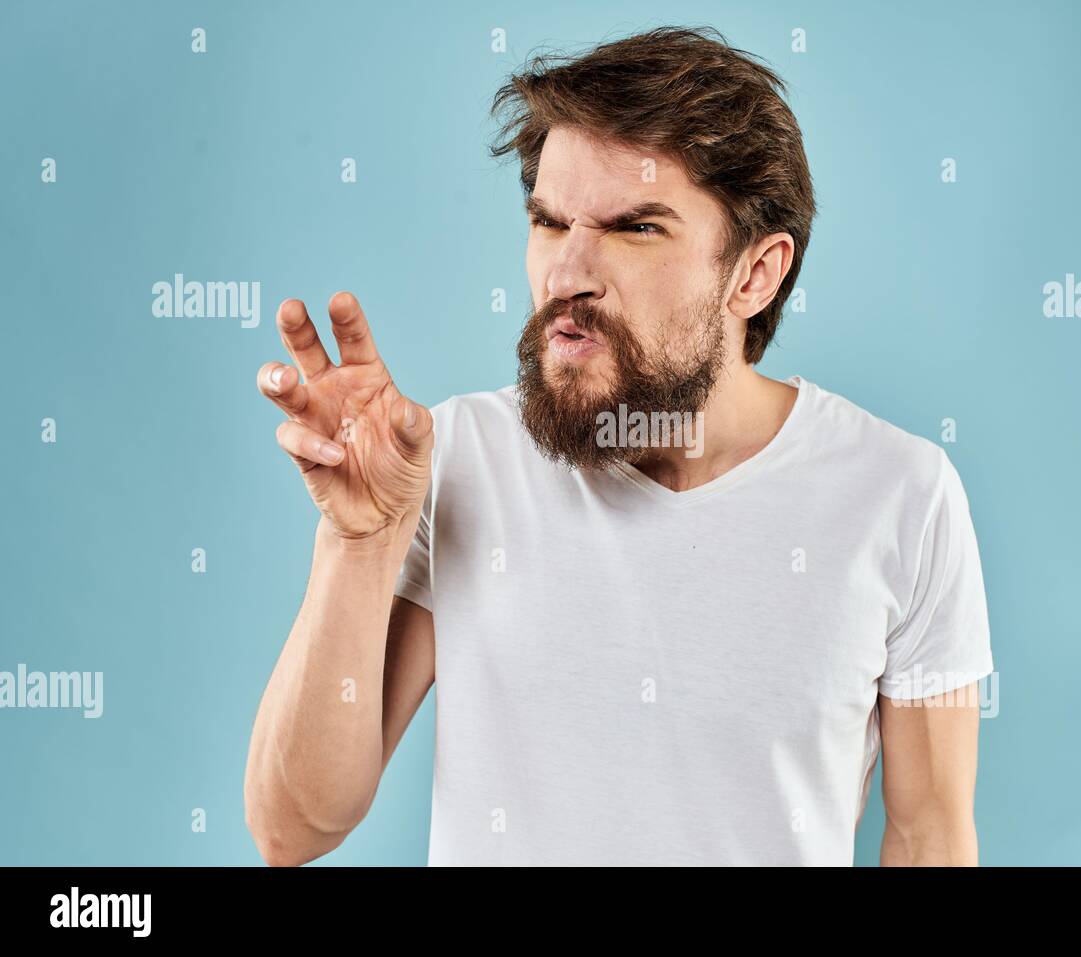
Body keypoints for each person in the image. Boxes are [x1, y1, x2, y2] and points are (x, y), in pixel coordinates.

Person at [244, 26, 994, 867]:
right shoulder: (452, 460)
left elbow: (930, 836)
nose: (567, 273)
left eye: (635, 228)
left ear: (755, 272)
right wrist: (358, 543)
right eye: (548, 221)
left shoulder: (901, 493)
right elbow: (294, 828)